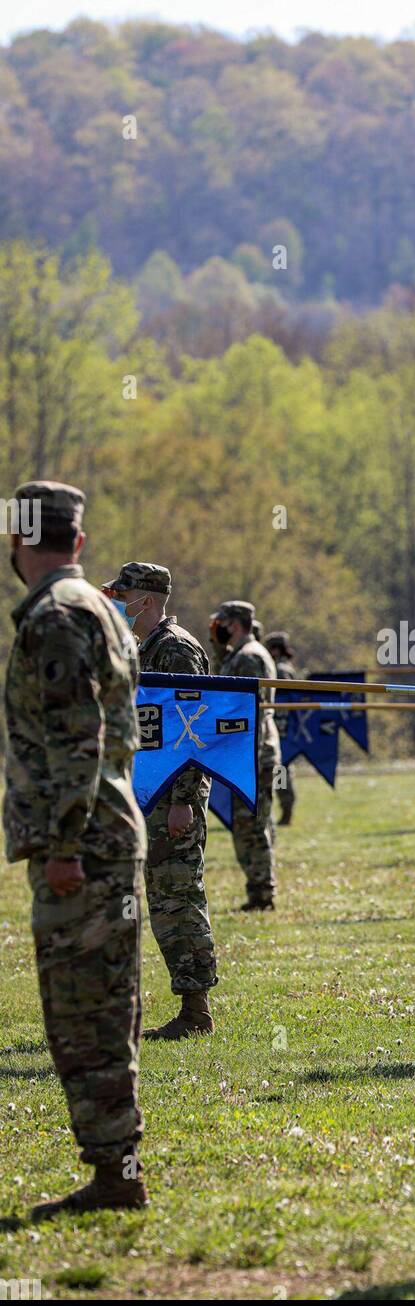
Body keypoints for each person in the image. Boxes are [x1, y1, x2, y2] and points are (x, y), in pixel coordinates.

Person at [4, 482, 148, 1217]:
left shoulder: (55, 616)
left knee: (82, 1009)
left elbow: (76, 738)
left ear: (15, 541)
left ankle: (115, 1174)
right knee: (104, 1002)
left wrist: (62, 843)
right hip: (107, 829)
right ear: (80, 542)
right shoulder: (97, 606)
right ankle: (115, 1166)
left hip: (84, 842)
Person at [103, 562, 217, 1040]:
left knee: (177, 898)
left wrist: (184, 800)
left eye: (122, 595)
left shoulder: (176, 650)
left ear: (145, 600)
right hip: (146, 792)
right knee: (155, 896)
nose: (115, 602)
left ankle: (196, 1011)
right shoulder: (142, 648)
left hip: (174, 796)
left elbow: (194, 729)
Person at [209, 600, 281, 910]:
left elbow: (245, 709)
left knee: (252, 827)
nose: (217, 627)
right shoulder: (239, 656)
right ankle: (258, 890)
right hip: (244, 753)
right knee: (247, 825)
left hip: (253, 754)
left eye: (222, 623)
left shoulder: (250, 658)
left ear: (234, 624)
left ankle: (262, 894)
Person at [264, 630, 299, 826]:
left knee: (281, 769)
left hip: (280, 726)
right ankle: (285, 807)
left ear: (276, 650)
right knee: (280, 769)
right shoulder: (286, 668)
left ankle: (286, 807)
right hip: (281, 725)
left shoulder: (281, 670)